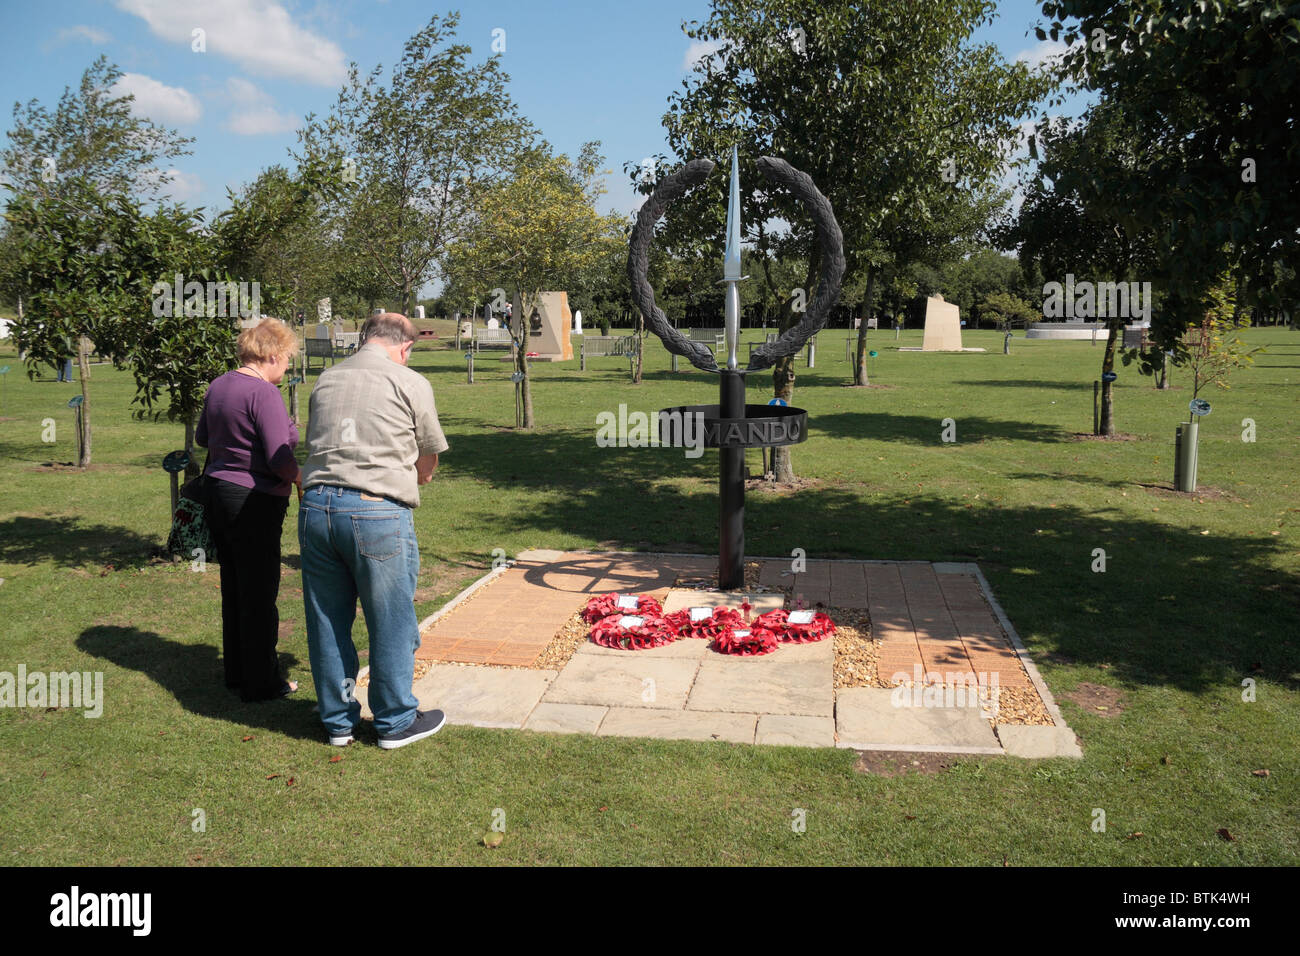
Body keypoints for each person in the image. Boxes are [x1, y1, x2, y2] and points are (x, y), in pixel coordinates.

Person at [298, 312, 449, 749]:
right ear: (405, 347)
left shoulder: (326, 379)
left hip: (316, 507)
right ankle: (396, 721)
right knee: (391, 620)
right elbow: (428, 450)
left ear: (366, 339)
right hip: (375, 511)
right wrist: (421, 475)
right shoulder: (410, 381)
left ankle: (338, 721)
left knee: (327, 619)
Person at [195, 318, 302, 701]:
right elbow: (279, 456)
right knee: (259, 591)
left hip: (218, 491)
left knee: (235, 585)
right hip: (254, 499)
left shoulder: (219, 385)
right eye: (288, 357)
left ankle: (237, 672)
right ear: (271, 354)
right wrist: (299, 477)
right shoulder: (264, 394)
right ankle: (262, 681)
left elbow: (202, 437)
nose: (288, 364)